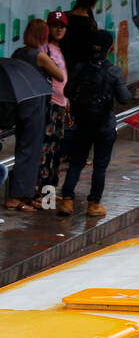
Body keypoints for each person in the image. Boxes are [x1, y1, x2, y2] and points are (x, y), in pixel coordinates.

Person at [58, 30, 130, 218]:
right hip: (105, 126)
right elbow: (124, 98)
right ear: (111, 48)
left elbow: (67, 91)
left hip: (82, 124)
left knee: (76, 163)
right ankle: (93, 204)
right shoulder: (113, 71)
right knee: (100, 166)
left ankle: (67, 201)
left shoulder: (80, 68)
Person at [5, 21, 58, 211]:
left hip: (21, 105)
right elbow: (59, 75)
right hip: (34, 107)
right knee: (30, 152)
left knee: (24, 149)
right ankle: (16, 197)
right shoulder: (39, 56)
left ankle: (24, 196)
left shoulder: (18, 53)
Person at [37, 12, 70, 200]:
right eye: (55, 25)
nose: (59, 29)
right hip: (49, 105)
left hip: (61, 105)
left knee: (56, 151)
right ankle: (40, 190)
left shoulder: (62, 50)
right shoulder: (44, 50)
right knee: (45, 150)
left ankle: (49, 190)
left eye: (62, 26)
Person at [62, 0, 99, 67]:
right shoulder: (89, 23)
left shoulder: (64, 16)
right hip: (81, 67)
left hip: (63, 62)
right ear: (93, 4)